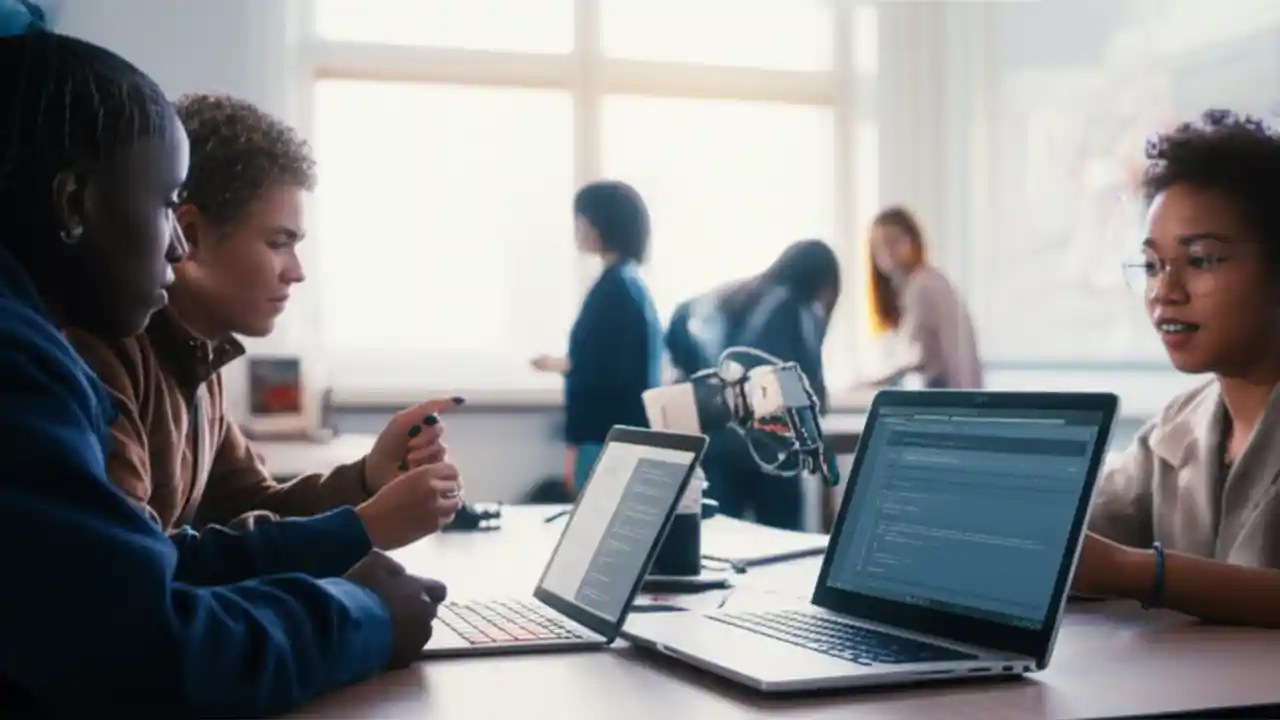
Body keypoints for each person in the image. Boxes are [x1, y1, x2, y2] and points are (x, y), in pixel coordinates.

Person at [0, 31, 450, 716]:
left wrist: (362, 493)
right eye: (162, 205)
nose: (174, 245)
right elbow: (139, 638)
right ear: (71, 206)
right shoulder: (40, 360)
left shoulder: (194, 359)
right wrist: (358, 603)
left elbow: (185, 538)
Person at [66, 93, 463, 539]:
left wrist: (368, 477)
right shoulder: (104, 350)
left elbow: (248, 503)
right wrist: (359, 534)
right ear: (189, 235)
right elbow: (138, 568)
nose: (297, 272)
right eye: (278, 243)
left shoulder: (197, 352)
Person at [1072, 109, 1280, 627]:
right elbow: (1079, 530)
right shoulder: (1177, 428)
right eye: (1151, 265)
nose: (1165, 292)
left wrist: (1139, 573)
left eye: (1202, 259)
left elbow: (1115, 566)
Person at [666, 240, 841, 529]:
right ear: (822, 281)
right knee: (781, 551)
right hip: (770, 454)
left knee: (724, 544)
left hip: (718, 445)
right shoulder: (794, 308)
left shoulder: (733, 297)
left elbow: (679, 330)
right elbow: (804, 390)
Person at [532, 180, 662, 490]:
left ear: (600, 224)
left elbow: (603, 370)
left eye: (581, 221)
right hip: (614, 433)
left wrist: (563, 366)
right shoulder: (625, 285)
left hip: (607, 435)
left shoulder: (616, 289)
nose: (577, 230)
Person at [862, 206, 982, 389]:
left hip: (949, 396)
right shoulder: (923, 282)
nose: (887, 251)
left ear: (913, 241)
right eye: (879, 246)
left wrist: (873, 382)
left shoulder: (923, 285)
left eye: (894, 241)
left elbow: (914, 356)